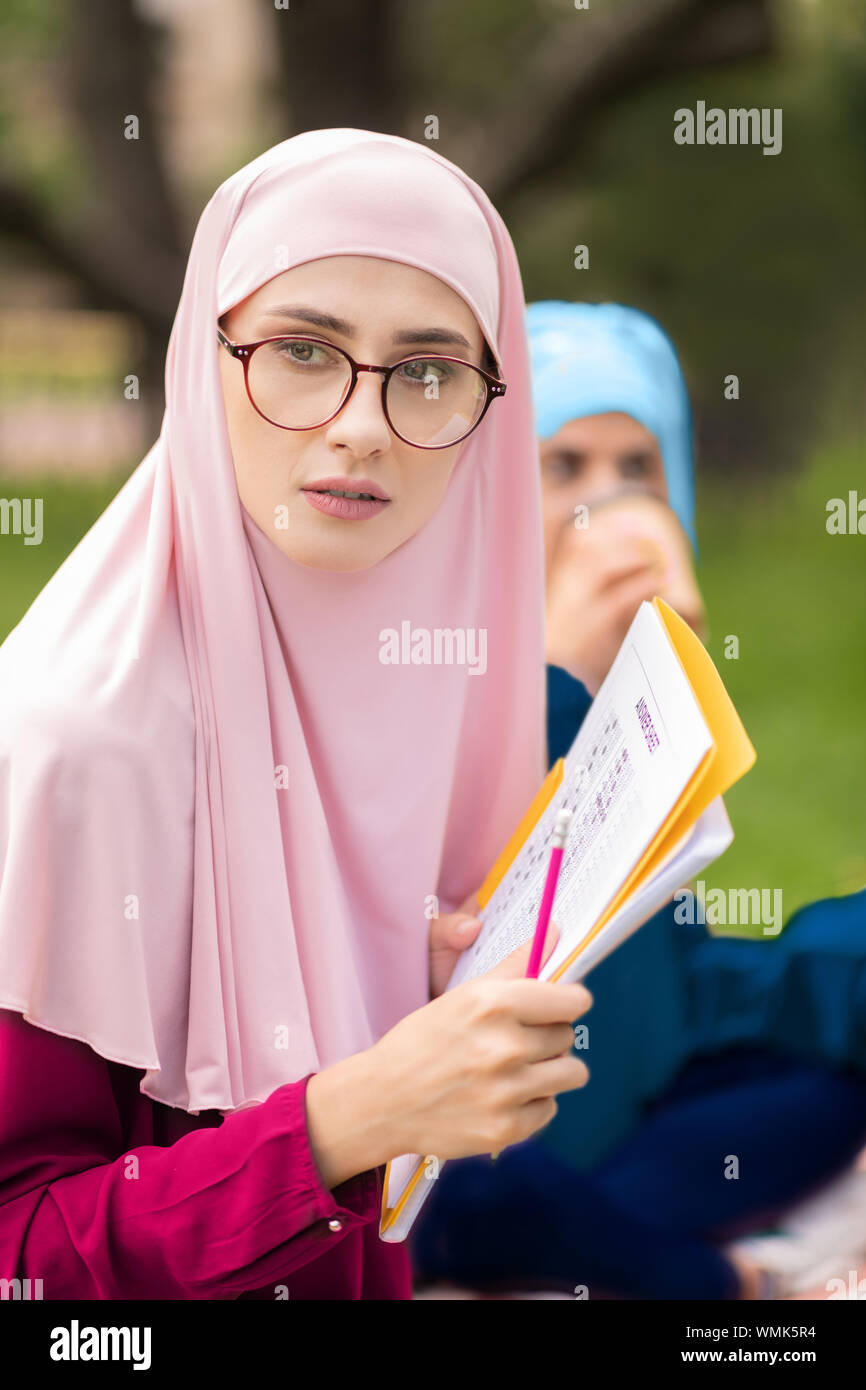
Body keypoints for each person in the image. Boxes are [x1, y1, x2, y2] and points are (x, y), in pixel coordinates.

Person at [0, 131, 593, 1301]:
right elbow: (22, 1258)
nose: (360, 422)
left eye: (426, 370)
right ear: (201, 360)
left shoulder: (420, 694)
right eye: (303, 350)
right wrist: (344, 1116)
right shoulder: (74, 746)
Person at [409, 301, 866, 1300]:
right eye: (563, 467)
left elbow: (658, 982)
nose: (605, 505)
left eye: (636, 468)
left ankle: (588, 1248)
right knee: (485, 1195)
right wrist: (551, 677)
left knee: (830, 1070)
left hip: (632, 1090)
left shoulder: (642, 660)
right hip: (479, 1120)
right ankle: (700, 1278)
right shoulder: (419, 655)